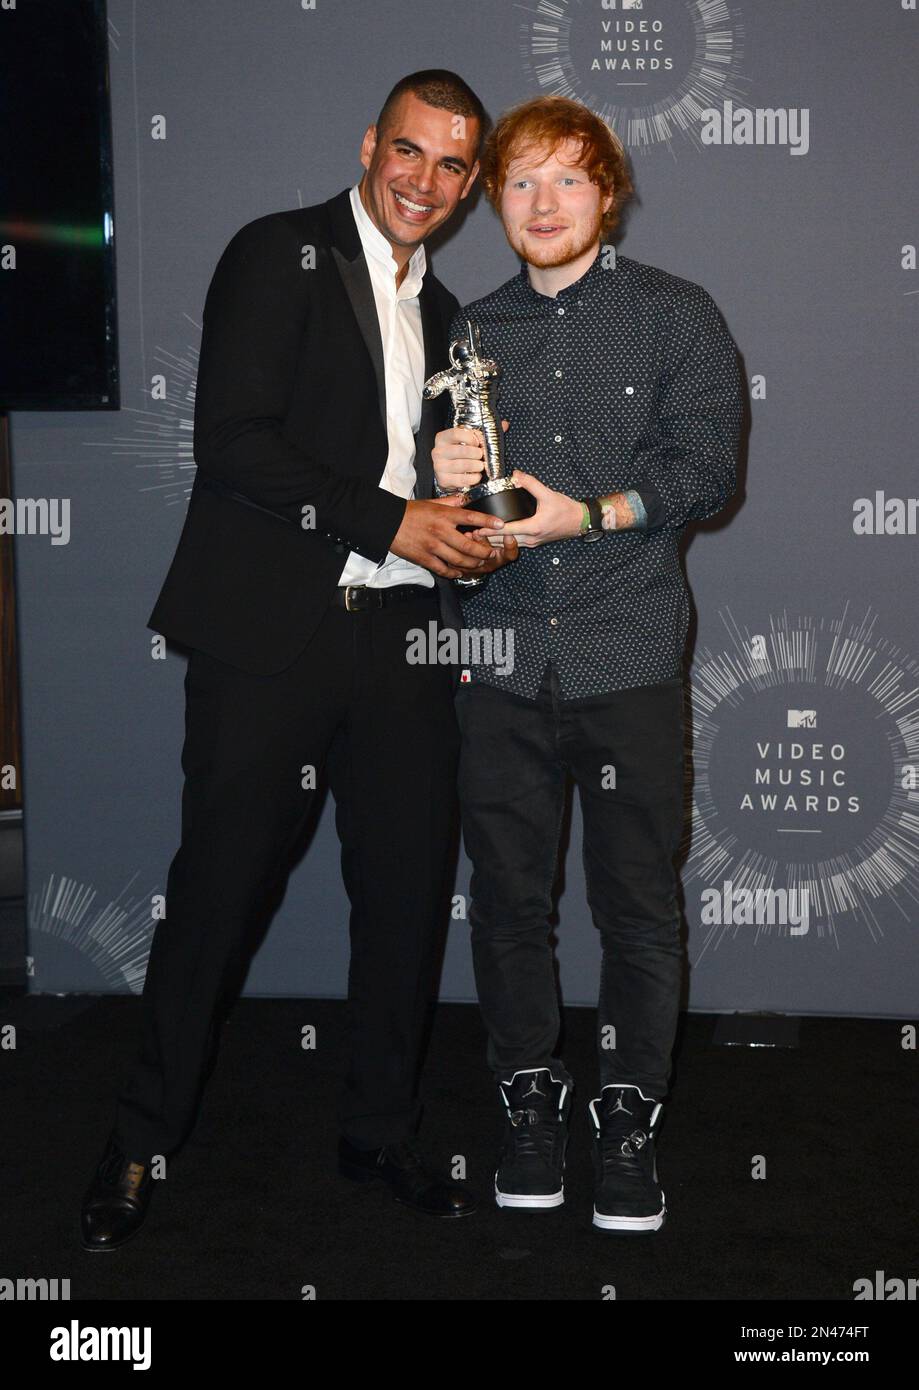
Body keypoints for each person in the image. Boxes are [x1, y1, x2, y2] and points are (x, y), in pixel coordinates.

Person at [80, 70, 519, 1252]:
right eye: (410, 152)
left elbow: (437, 488)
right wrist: (391, 522)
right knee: (217, 896)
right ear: (371, 144)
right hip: (272, 640)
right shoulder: (279, 253)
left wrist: (460, 540)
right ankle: (136, 1143)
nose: (426, 180)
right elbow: (231, 443)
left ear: (472, 183)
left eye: (452, 165)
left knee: (405, 901)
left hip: (403, 641)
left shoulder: (453, 319)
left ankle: (379, 1130)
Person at [431, 95, 743, 1232]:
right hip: (501, 660)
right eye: (519, 182)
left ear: (605, 192)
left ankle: (625, 1122)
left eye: (566, 179)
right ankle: (525, 1104)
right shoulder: (467, 329)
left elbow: (707, 468)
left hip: (626, 659)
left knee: (636, 910)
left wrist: (593, 514)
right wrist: (447, 465)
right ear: (493, 200)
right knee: (509, 904)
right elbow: (451, 511)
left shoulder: (677, 316)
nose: (543, 203)